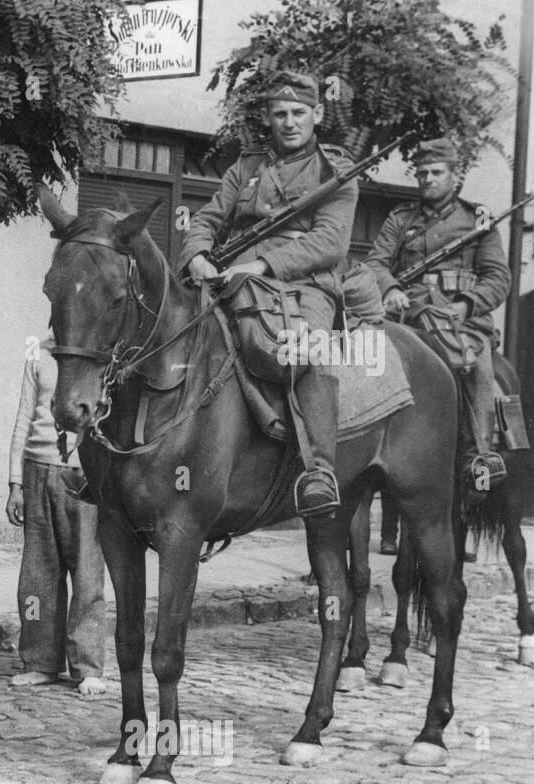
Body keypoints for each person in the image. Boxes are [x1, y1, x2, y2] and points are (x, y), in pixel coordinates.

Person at [178, 70, 357, 519]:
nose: (290, 122)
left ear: (317, 114)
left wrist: (263, 264)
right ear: (268, 118)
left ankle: (318, 470)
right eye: (281, 114)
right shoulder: (246, 167)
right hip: (234, 278)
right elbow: (206, 219)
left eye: (299, 112)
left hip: (304, 286)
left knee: (306, 347)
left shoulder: (336, 171)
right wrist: (198, 254)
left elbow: (329, 243)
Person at [362, 137, 512, 494]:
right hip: (411, 318)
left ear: (454, 175)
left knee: (476, 365)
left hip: (462, 322)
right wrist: (390, 289)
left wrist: (466, 304)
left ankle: (481, 454)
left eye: (436, 172)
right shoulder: (401, 219)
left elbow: (497, 276)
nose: (428, 179)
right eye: (422, 173)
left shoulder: (478, 218)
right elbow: (374, 263)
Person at [6, 343, 107, 695]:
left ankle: (88, 666)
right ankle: (39, 662)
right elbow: (23, 417)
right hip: (36, 471)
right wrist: (15, 483)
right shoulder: (36, 352)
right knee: (37, 575)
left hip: (85, 474)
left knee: (88, 573)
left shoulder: (101, 351)